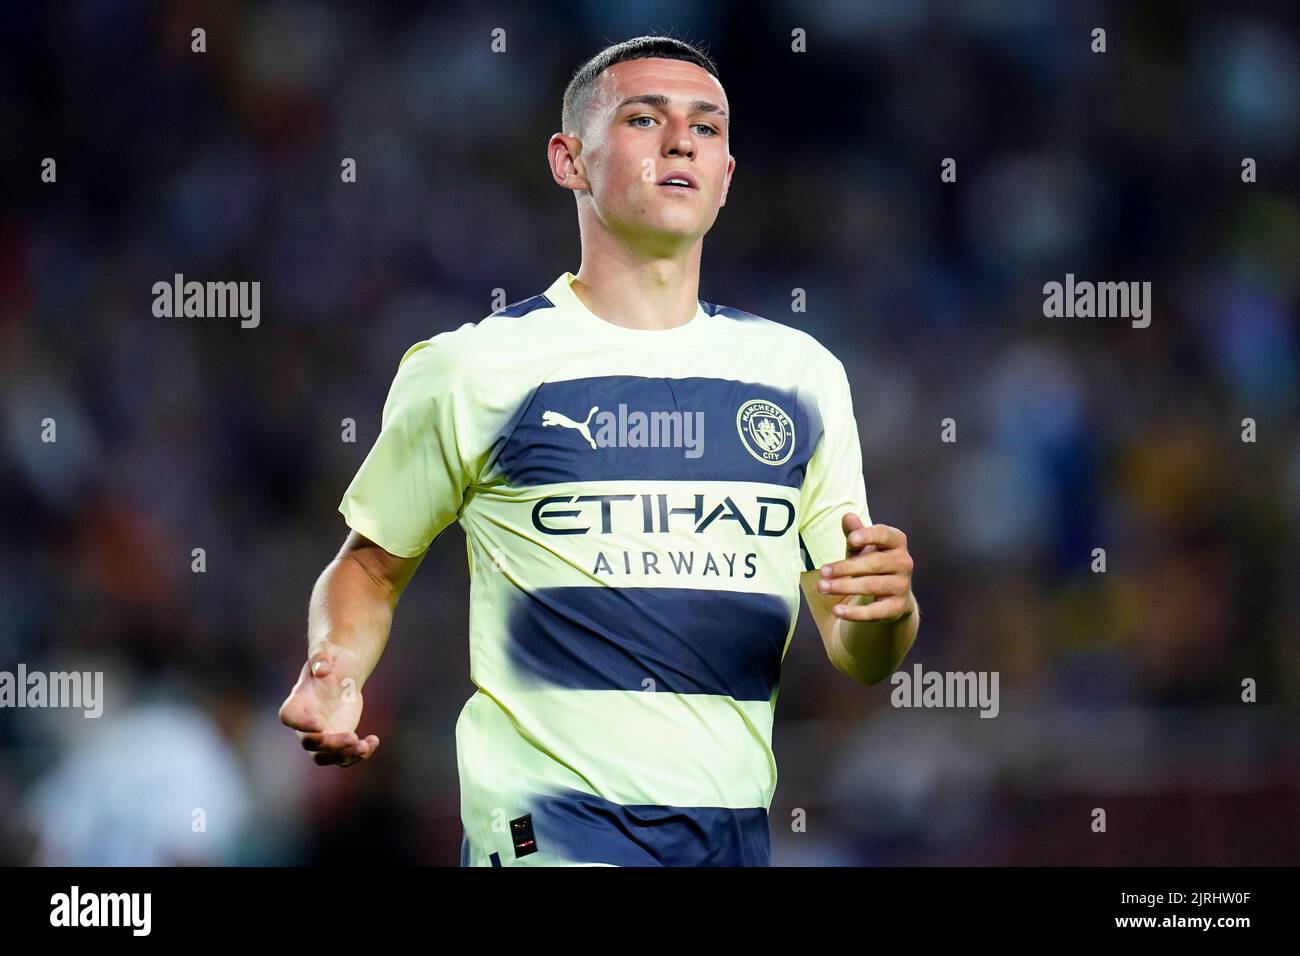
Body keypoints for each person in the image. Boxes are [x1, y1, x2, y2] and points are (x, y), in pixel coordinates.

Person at [279, 35, 919, 866]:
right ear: (569, 160)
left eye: (707, 127)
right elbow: (369, 565)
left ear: (726, 175)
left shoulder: (801, 376)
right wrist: (334, 665)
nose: (681, 140)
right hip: (545, 833)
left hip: (730, 840)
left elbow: (858, 647)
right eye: (644, 118)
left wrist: (889, 611)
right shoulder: (472, 369)